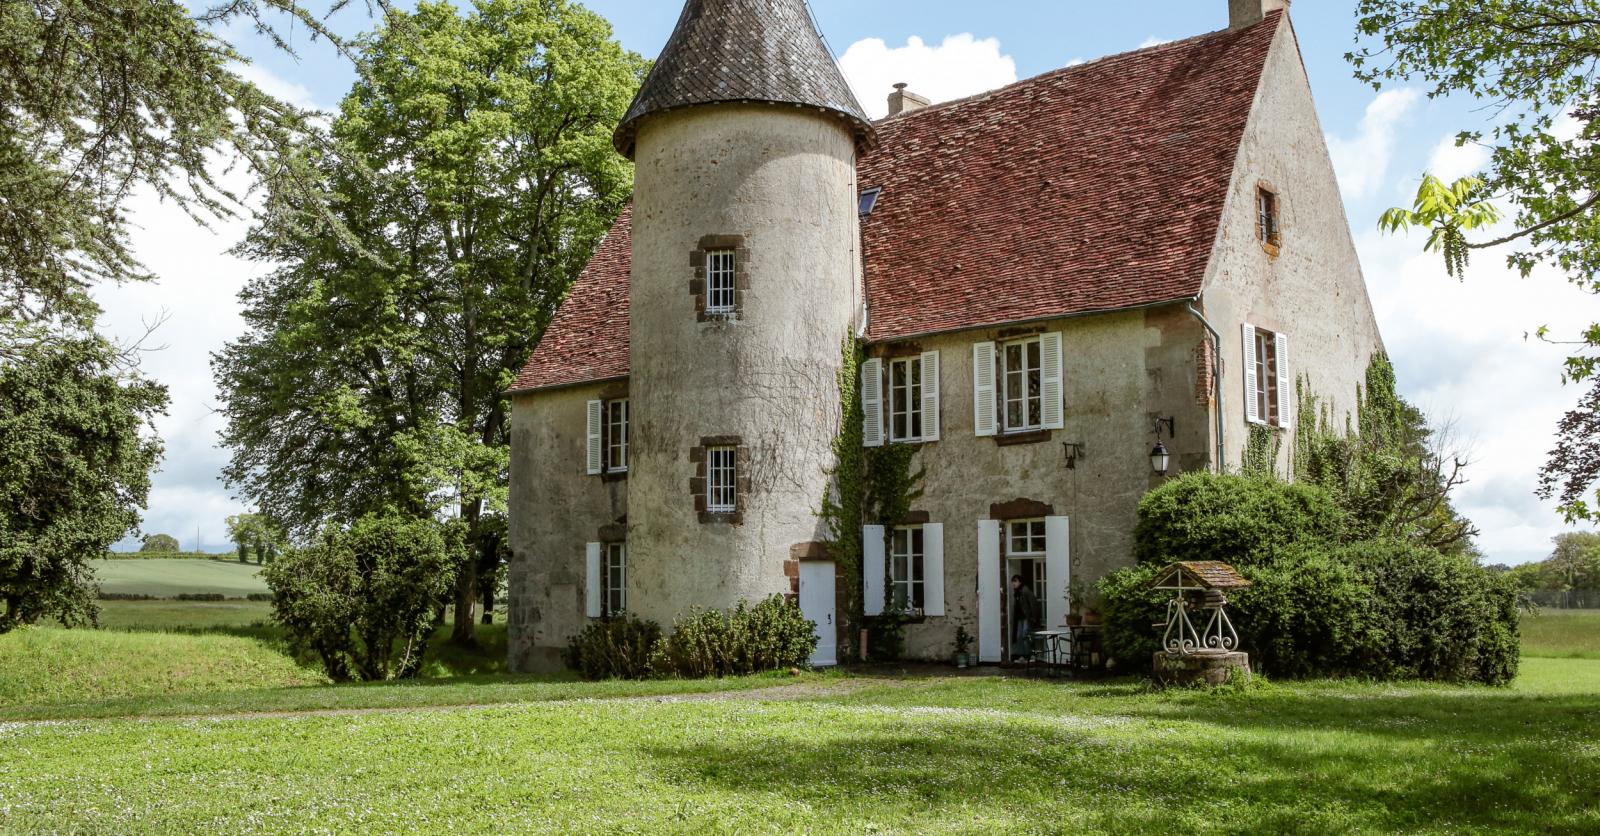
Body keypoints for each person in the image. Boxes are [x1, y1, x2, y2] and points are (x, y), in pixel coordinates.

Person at [1011, 574, 1041, 661]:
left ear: (1020, 582)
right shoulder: (1017, 592)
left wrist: (1033, 617)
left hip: (1026, 617)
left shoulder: (1025, 590)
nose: (1013, 583)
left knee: (1025, 635)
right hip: (1020, 618)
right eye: (1013, 581)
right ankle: (1022, 655)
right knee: (1019, 636)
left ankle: (1030, 655)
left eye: (1015, 581)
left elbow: (1033, 604)